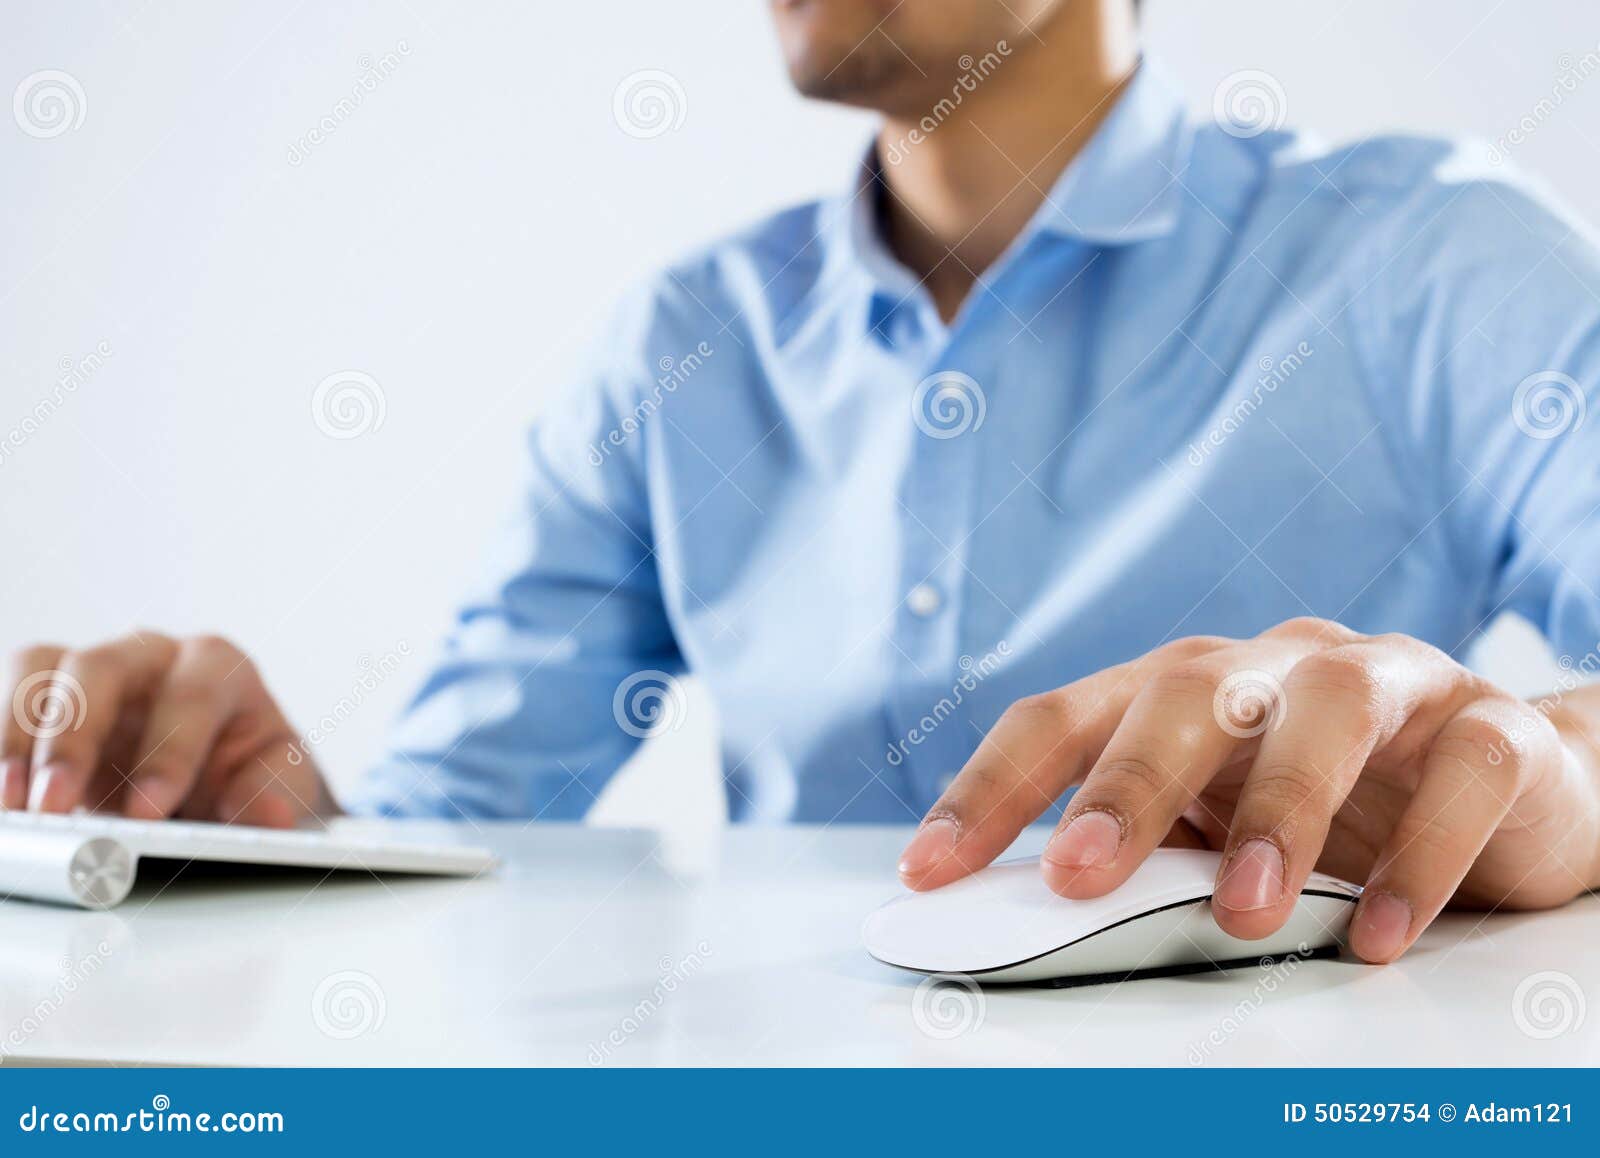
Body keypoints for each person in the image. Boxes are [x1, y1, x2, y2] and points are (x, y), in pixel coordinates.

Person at [6, 0, 1600, 965]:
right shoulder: (684, 344)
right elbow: (449, 841)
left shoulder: (1427, 259)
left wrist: (1548, 784)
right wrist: (241, 831)